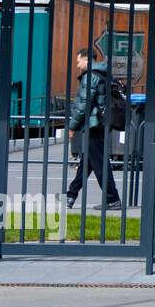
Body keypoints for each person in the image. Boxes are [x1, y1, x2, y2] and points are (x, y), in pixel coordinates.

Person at [66, 48, 122, 211]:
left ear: (87, 60)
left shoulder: (91, 76)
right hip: (100, 123)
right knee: (88, 162)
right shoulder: (103, 73)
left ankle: (112, 199)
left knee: (99, 164)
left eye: (78, 61)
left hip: (94, 124)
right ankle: (70, 195)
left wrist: (72, 126)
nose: (77, 65)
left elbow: (83, 104)